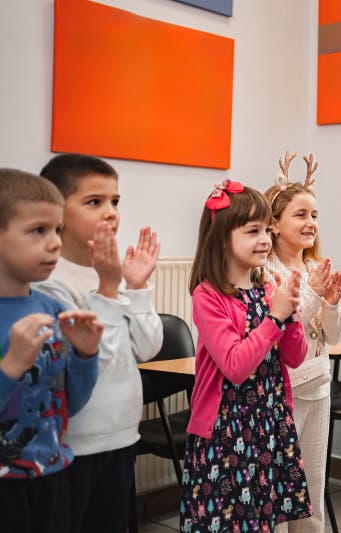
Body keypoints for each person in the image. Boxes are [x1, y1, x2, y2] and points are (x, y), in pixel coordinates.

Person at [36, 153, 163, 533]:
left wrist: (136, 287)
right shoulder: (50, 280)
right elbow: (94, 360)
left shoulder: (106, 273)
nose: (110, 212)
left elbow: (147, 347)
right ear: (56, 211)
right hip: (75, 443)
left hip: (121, 435)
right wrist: (109, 288)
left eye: (115, 202)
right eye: (94, 202)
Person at [181, 179, 312, 532]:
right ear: (223, 237)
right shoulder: (207, 296)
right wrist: (275, 317)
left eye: (266, 229)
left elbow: (296, 356)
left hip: (267, 423)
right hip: (226, 430)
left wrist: (291, 314)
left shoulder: (266, 288)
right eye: (252, 231)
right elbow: (236, 366)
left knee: (261, 518)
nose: (266, 240)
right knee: (227, 521)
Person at [0, 168, 103, 533]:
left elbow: (68, 404)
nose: (56, 242)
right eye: (38, 230)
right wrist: (10, 367)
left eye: (57, 230)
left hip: (52, 473)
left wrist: (86, 357)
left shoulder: (53, 309)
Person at [264, 151, 341, 533]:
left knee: (312, 489)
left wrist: (331, 305)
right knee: (279, 490)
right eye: (300, 215)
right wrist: (313, 294)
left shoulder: (316, 267)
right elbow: (282, 333)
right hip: (287, 392)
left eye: (314, 215)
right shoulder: (267, 273)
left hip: (319, 388)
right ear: (274, 225)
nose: (310, 222)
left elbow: (335, 335)